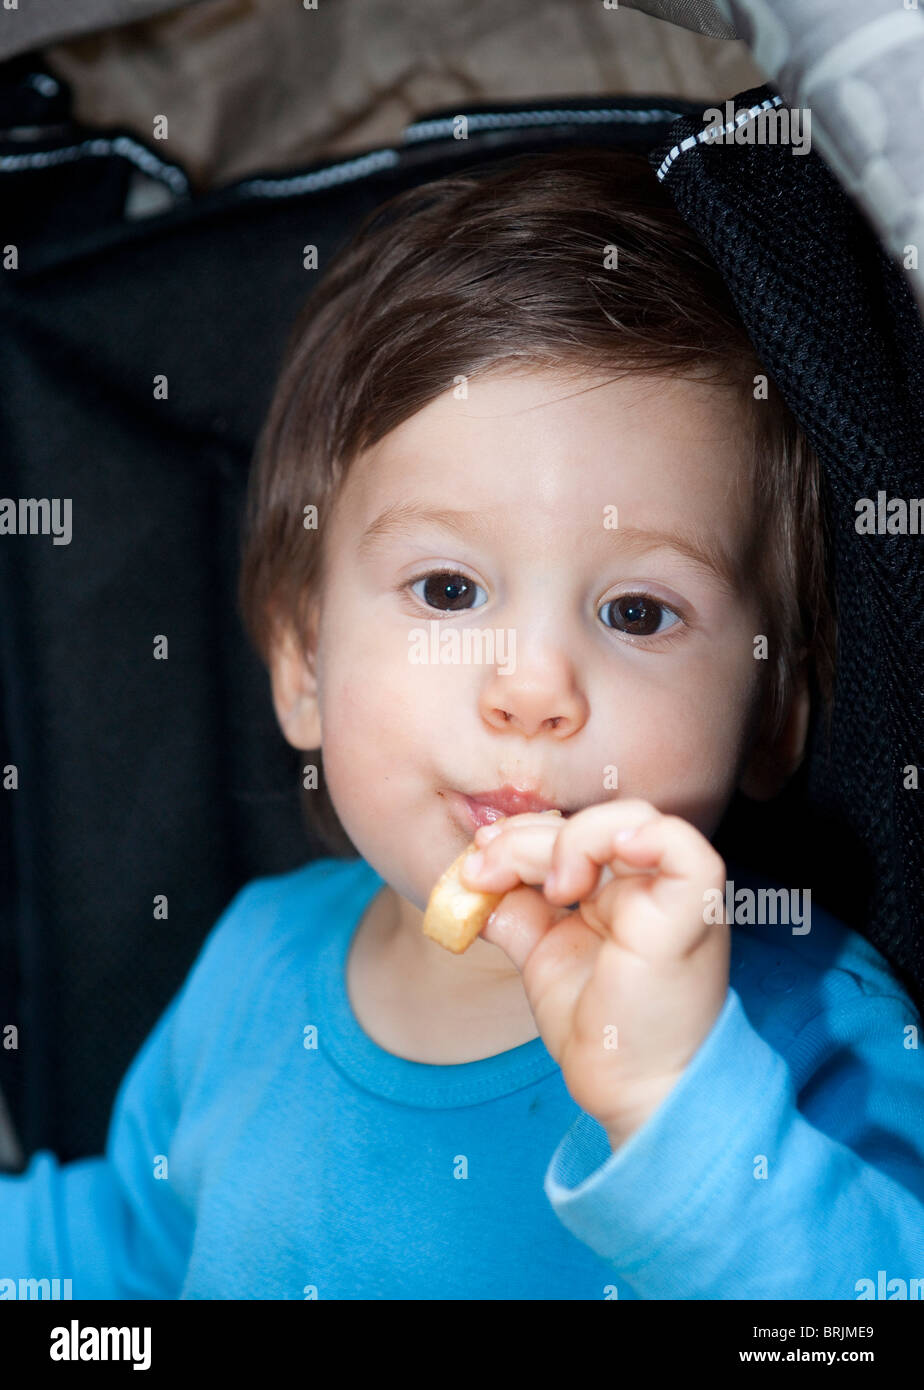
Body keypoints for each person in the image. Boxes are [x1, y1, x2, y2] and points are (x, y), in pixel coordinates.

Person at [2, 148, 922, 1300]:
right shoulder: (255, 960)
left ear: (773, 715)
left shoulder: (819, 1033)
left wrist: (674, 1115)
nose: (532, 689)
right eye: (448, 591)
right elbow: (121, 1255)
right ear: (303, 659)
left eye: (637, 610)